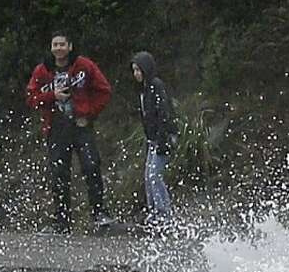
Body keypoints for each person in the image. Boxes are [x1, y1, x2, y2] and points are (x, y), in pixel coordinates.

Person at [25, 33, 114, 233]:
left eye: (62, 44)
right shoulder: (42, 70)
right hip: (56, 127)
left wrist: (89, 114)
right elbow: (31, 98)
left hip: (81, 125)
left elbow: (104, 90)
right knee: (58, 173)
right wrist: (51, 96)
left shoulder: (84, 66)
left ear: (70, 46)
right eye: (55, 44)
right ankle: (62, 220)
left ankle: (100, 213)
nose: (58, 48)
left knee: (91, 166)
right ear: (51, 47)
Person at [131, 52, 178, 231]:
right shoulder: (143, 90)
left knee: (154, 175)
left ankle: (164, 214)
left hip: (163, 137)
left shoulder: (155, 86)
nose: (136, 74)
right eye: (134, 70)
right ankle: (153, 213)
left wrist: (163, 138)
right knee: (148, 176)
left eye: (138, 70)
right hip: (152, 139)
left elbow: (164, 112)